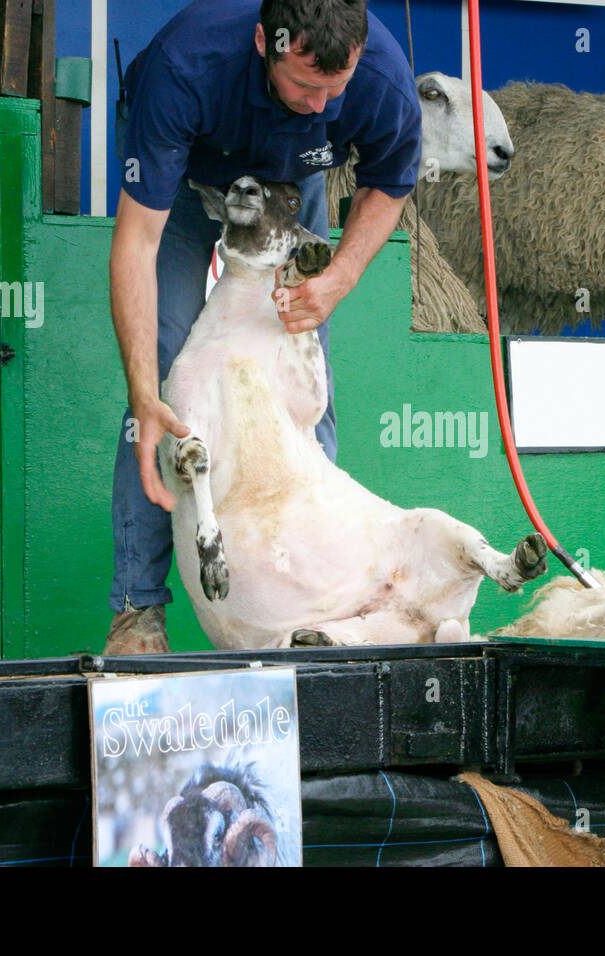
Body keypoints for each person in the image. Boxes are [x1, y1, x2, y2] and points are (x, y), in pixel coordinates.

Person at [105, 0, 420, 654]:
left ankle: (318, 593)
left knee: (306, 375)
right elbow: (136, 247)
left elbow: (389, 182)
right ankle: (137, 611)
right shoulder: (184, 68)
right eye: (304, 84)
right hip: (191, 160)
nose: (319, 103)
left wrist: (339, 279)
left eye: (336, 90)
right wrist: (142, 394)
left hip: (290, 174)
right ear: (262, 42)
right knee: (166, 376)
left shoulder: (381, 81)